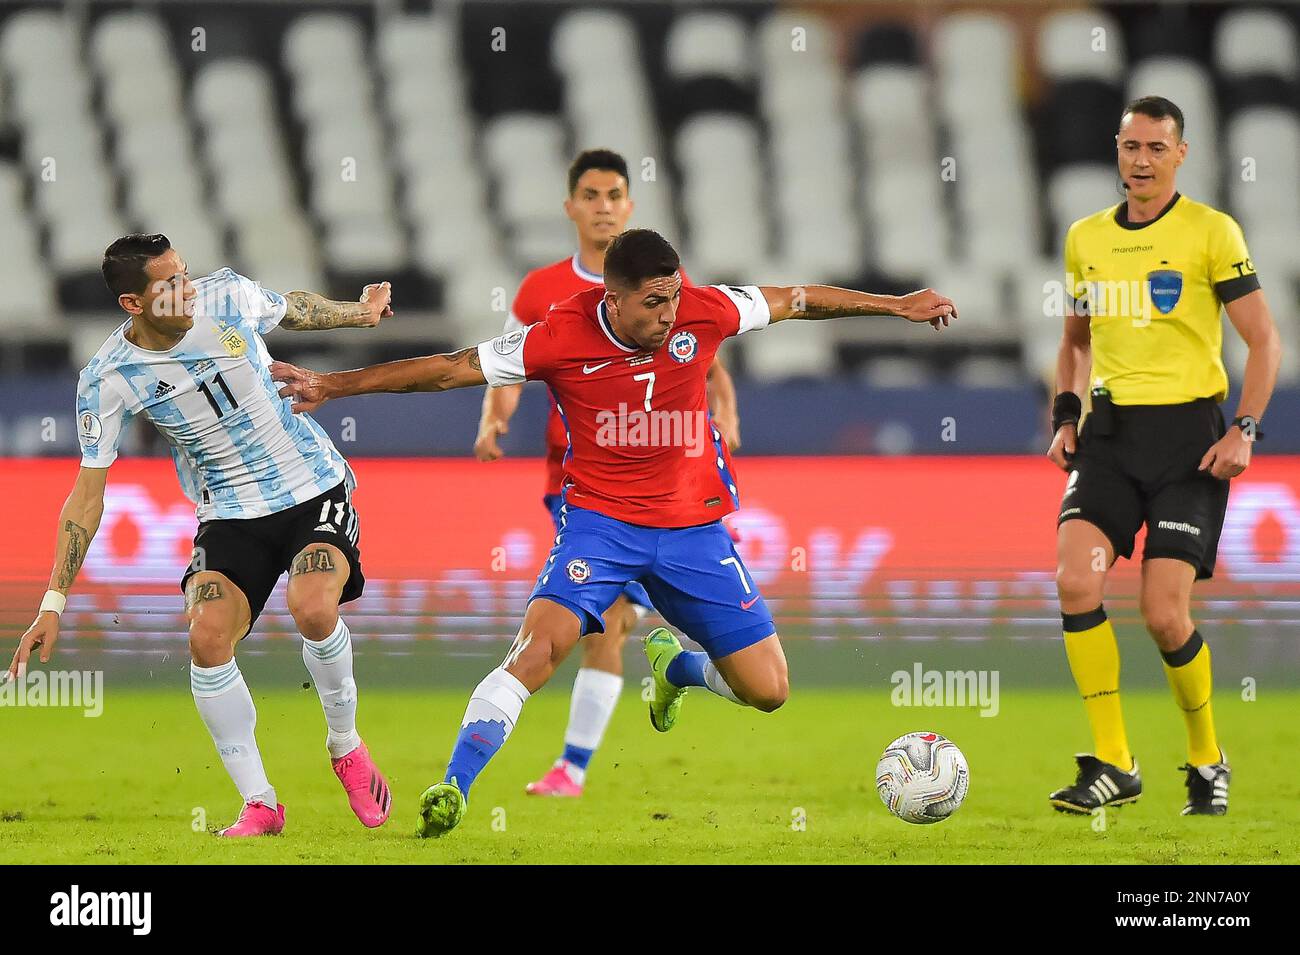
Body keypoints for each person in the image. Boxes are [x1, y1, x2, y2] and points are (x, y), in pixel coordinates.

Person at [271, 228, 956, 837]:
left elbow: (799, 298)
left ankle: (675, 668)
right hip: (600, 529)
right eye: (653, 304)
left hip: (694, 531)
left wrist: (895, 306)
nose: (668, 315)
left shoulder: (704, 310)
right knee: (539, 653)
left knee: (770, 689)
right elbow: (451, 368)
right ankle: (454, 785)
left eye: (673, 299)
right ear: (614, 298)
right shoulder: (559, 336)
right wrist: (337, 386)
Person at [7, 234, 397, 836]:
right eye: (169, 285)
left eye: (185, 274)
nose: (187, 289)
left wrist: (360, 313)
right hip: (229, 512)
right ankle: (261, 804)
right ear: (133, 305)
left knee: (313, 606)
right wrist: (52, 603)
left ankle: (345, 745)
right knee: (207, 636)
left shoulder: (227, 299)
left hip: (310, 488)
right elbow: (87, 493)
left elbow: (290, 306)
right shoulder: (110, 376)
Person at [473, 148, 740, 797]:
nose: (603, 206)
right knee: (607, 621)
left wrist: (726, 417)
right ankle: (585, 754)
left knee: (612, 619)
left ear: (630, 203)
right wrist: (494, 416)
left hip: (663, 482)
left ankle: (575, 765)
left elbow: (706, 363)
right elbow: (508, 366)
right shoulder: (541, 289)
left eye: (614, 194)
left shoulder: (660, 284)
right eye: (591, 195)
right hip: (579, 482)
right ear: (571, 207)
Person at [1046, 97, 1282, 816]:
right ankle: (1115, 761)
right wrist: (1065, 412)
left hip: (1190, 448)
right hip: (1110, 440)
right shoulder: (1086, 238)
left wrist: (1244, 428)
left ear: (1182, 155)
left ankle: (1207, 756)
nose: (1140, 161)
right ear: (1116, 153)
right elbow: (1076, 341)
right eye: (1129, 147)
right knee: (1075, 582)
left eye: (1155, 148)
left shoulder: (1211, 232)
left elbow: (1265, 340)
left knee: (1162, 615)